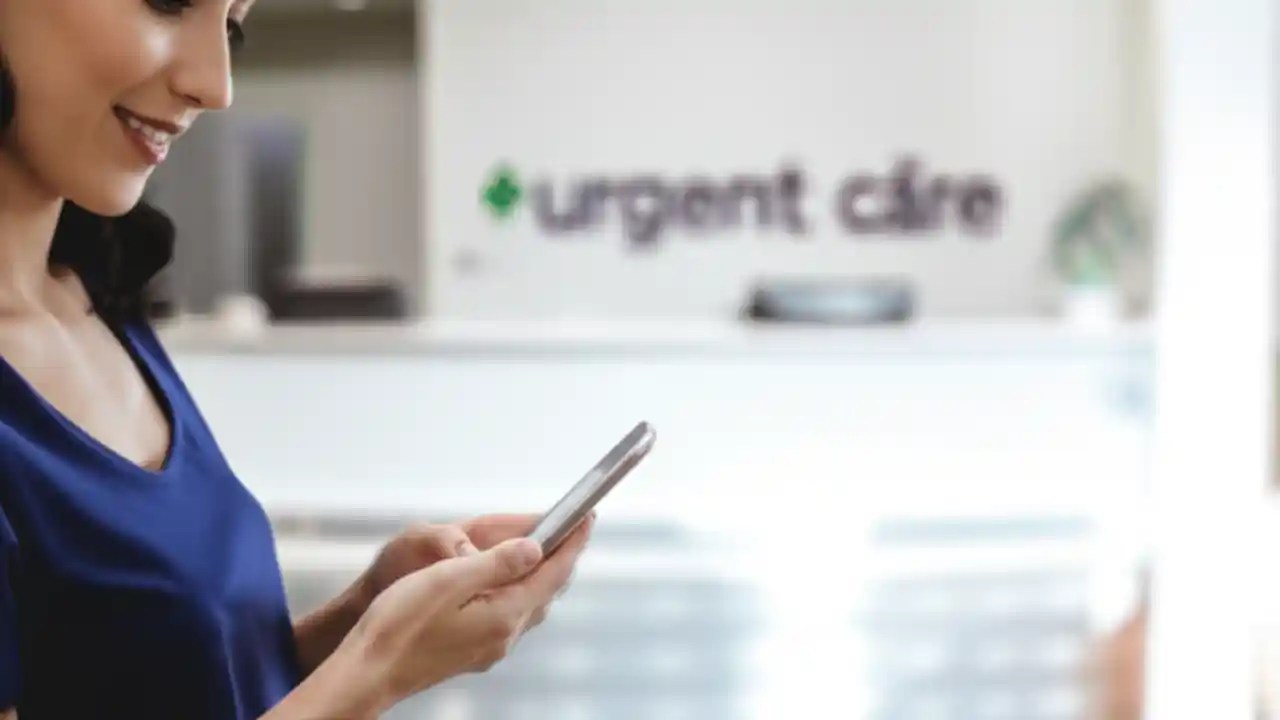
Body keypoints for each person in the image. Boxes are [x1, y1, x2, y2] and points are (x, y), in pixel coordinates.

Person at [0, 0, 593, 717]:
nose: (215, 85)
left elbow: (163, 682)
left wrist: (360, 620)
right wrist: (377, 669)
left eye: (232, 27)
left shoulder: (97, 304)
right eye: (166, 2)